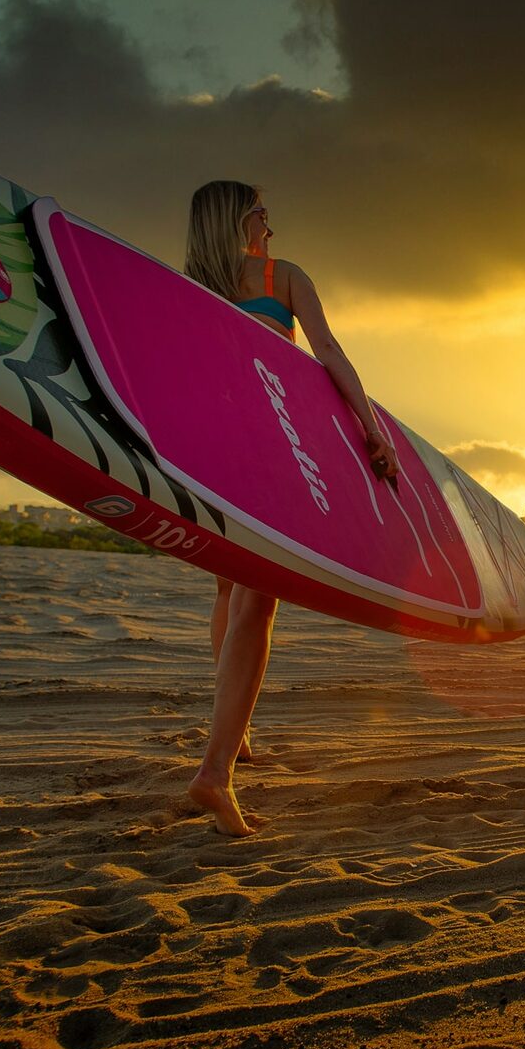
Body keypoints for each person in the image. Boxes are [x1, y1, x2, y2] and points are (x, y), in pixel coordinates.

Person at [181, 180, 400, 836]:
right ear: (237, 219)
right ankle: (215, 773)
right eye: (260, 214)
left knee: (230, 588)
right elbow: (327, 351)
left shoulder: (189, 286)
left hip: (207, 448)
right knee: (258, 600)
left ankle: (235, 733)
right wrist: (371, 428)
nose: (269, 226)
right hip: (265, 446)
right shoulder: (282, 278)